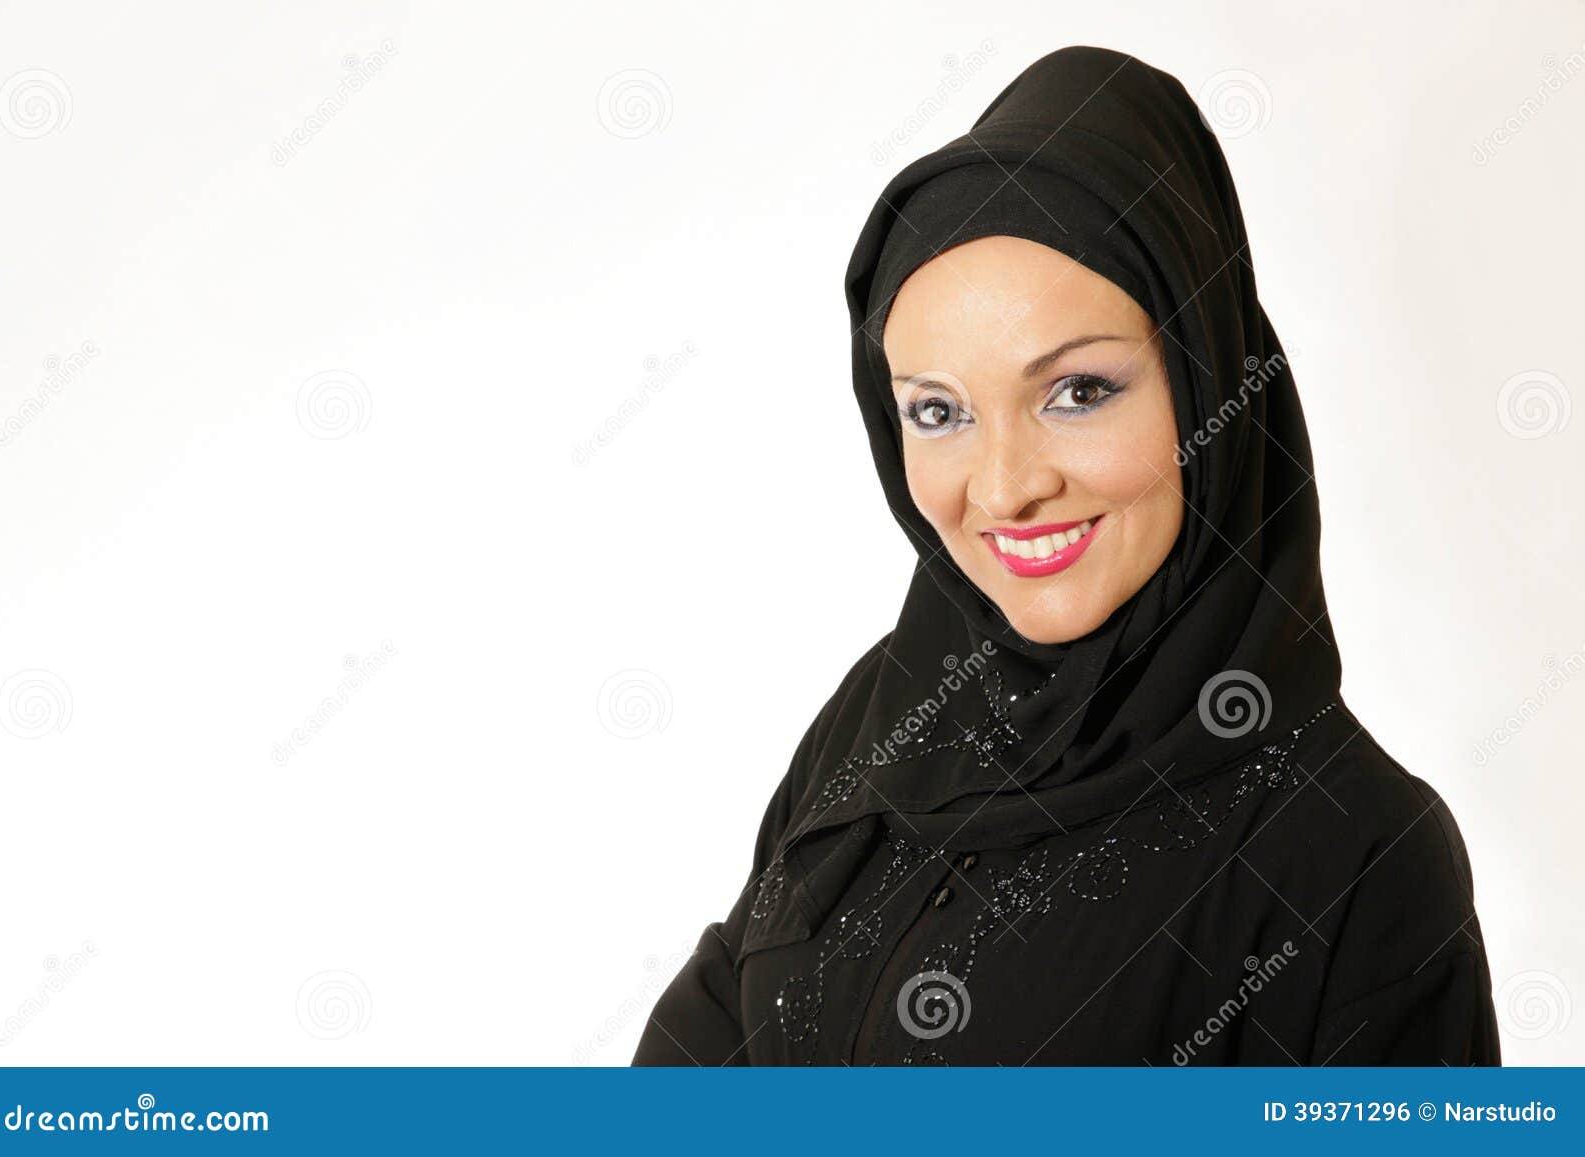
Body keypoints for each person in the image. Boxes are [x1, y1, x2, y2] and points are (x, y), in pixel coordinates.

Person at [632, 45, 1500, 1066]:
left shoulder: (1352, 852)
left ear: (1205, 379)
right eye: (938, 409)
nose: (1002, 487)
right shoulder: (883, 715)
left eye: (1077, 391)